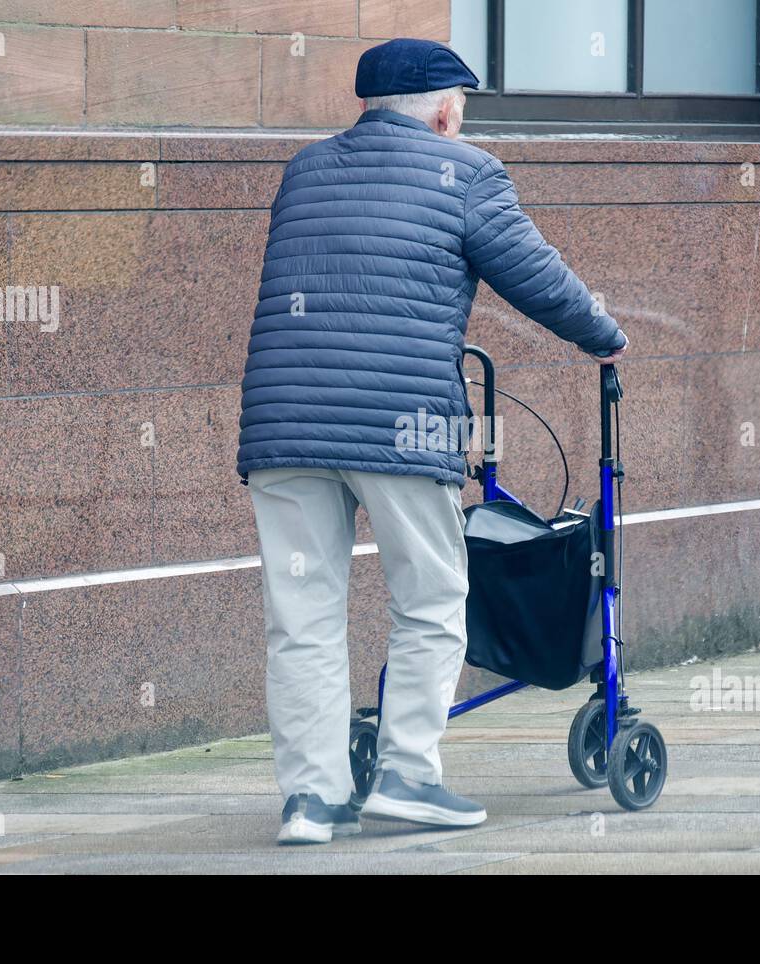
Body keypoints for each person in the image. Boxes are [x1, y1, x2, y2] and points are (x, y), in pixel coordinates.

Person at [236, 37, 628, 845]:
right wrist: (604, 335)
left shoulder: (304, 169)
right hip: (398, 422)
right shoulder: (467, 172)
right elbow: (535, 274)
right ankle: (409, 773)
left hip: (285, 425)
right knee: (432, 598)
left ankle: (310, 800)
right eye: (464, 110)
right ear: (446, 111)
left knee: (301, 615)